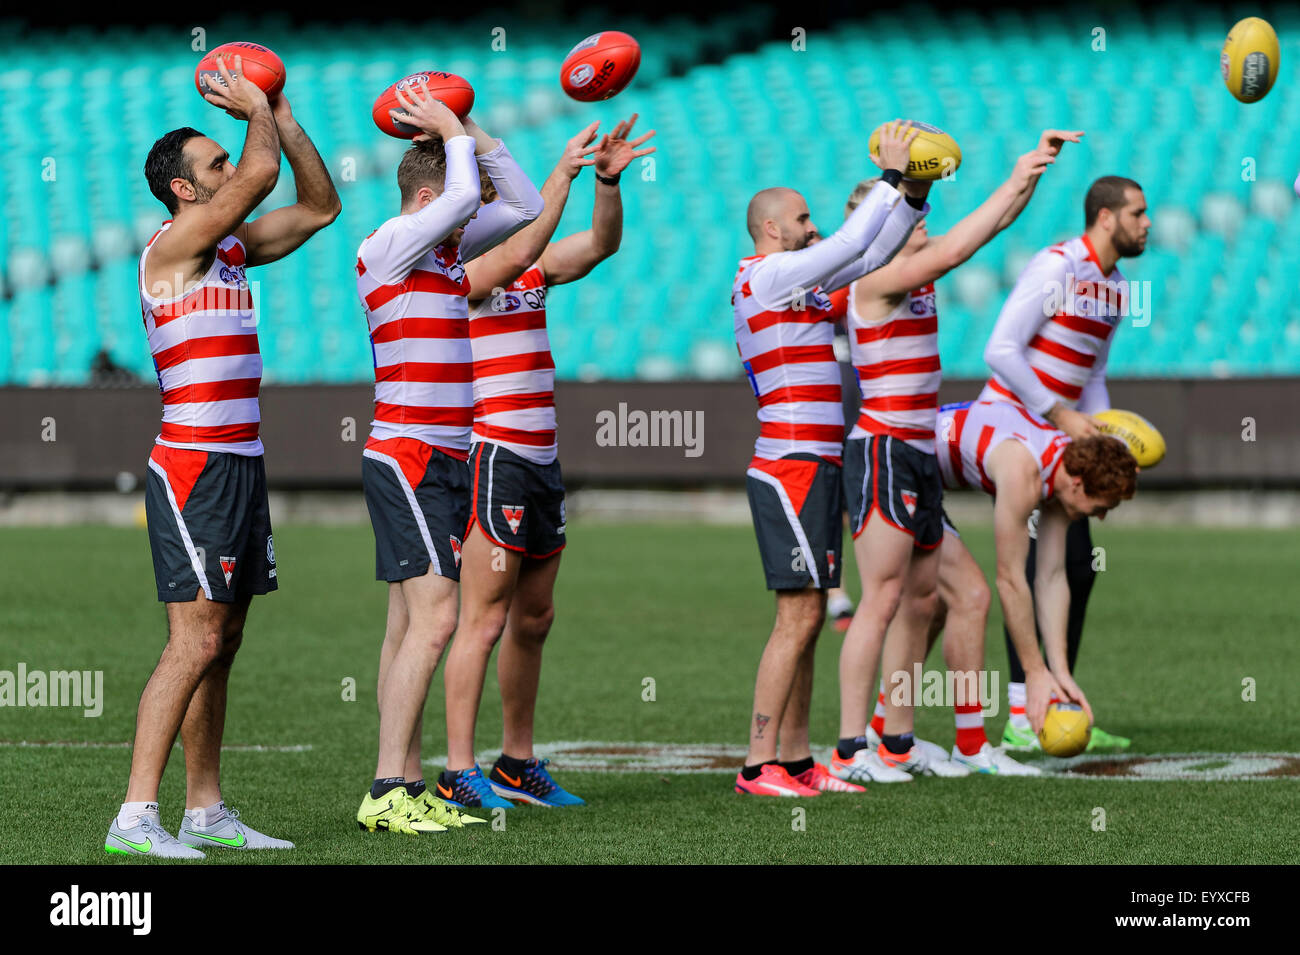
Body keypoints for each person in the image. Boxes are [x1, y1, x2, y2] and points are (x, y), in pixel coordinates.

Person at [108, 54, 340, 858]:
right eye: (216, 163)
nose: (232, 166)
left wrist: (284, 111)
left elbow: (319, 206)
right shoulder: (174, 247)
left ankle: (205, 810)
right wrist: (255, 110)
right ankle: (136, 816)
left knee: (226, 638)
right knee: (193, 641)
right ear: (183, 188)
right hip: (195, 465)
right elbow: (265, 170)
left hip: (240, 463)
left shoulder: (231, 249)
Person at [831, 131, 1077, 784]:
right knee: (882, 600)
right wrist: (919, 183)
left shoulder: (917, 267)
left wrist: (1028, 173)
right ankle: (852, 749)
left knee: (944, 597)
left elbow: (977, 231)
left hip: (915, 454)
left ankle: (915, 742)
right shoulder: (875, 277)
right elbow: (968, 240)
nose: (919, 222)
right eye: (903, 215)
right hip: (883, 449)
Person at [440, 115, 655, 808]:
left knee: (535, 616)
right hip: (494, 453)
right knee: (485, 616)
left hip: (541, 458)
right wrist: (556, 174)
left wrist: (608, 183)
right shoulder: (451, 273)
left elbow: (598, 244)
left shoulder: (524, 263)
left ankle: (516, 760)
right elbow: (517, 249)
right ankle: (459, 768)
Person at [353, 82, 543, 833]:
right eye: (452, 201)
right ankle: (383, 790)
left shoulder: (445, 256)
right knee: (436, 622)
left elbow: (523, 206)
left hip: (443, 454)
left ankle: (400, 779)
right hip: (409, 453)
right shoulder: (390, 244)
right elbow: (468, 194)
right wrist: (454, 137)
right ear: (428, 196)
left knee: (406, 627)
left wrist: (469, 127)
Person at [732, 121, 929, 797]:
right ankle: (758, 765)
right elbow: (850, 241)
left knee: (811, 613)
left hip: (814, 464)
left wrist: (916, 193)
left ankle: (794, 759)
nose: (813, 227)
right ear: (771, 230)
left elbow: (872, 254)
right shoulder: (767, 276)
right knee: (797, 615)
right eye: (802, 217)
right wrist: (891, 176)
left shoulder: (792, 280)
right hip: (788, 466)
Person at [978, 176, 1150, 751]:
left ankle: (1055, 700)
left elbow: (1093, 374)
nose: (1147, 224)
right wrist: (1058, 411)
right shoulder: (1058, 268)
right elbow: (1000, 350)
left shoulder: (1117, 289)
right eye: (1138, 213)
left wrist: (1104, 439)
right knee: (1033, 570)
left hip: (1064, 443)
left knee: (1076, 568)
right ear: (1106, 218)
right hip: (1013, 436)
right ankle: (1023, 711)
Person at [936, 400, 1137, 738]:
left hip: (923, 479)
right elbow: (1011, 580)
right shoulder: (1023, 472)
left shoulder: (1061, 474)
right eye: (1102, 507)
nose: (1101, 516)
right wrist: (1033, 671)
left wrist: (1058, 671)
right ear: (1077, 485)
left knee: (930, 607)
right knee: (970, 595)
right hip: (897, 466)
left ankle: (892, 738)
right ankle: (966, 746)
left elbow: (1051, 577)